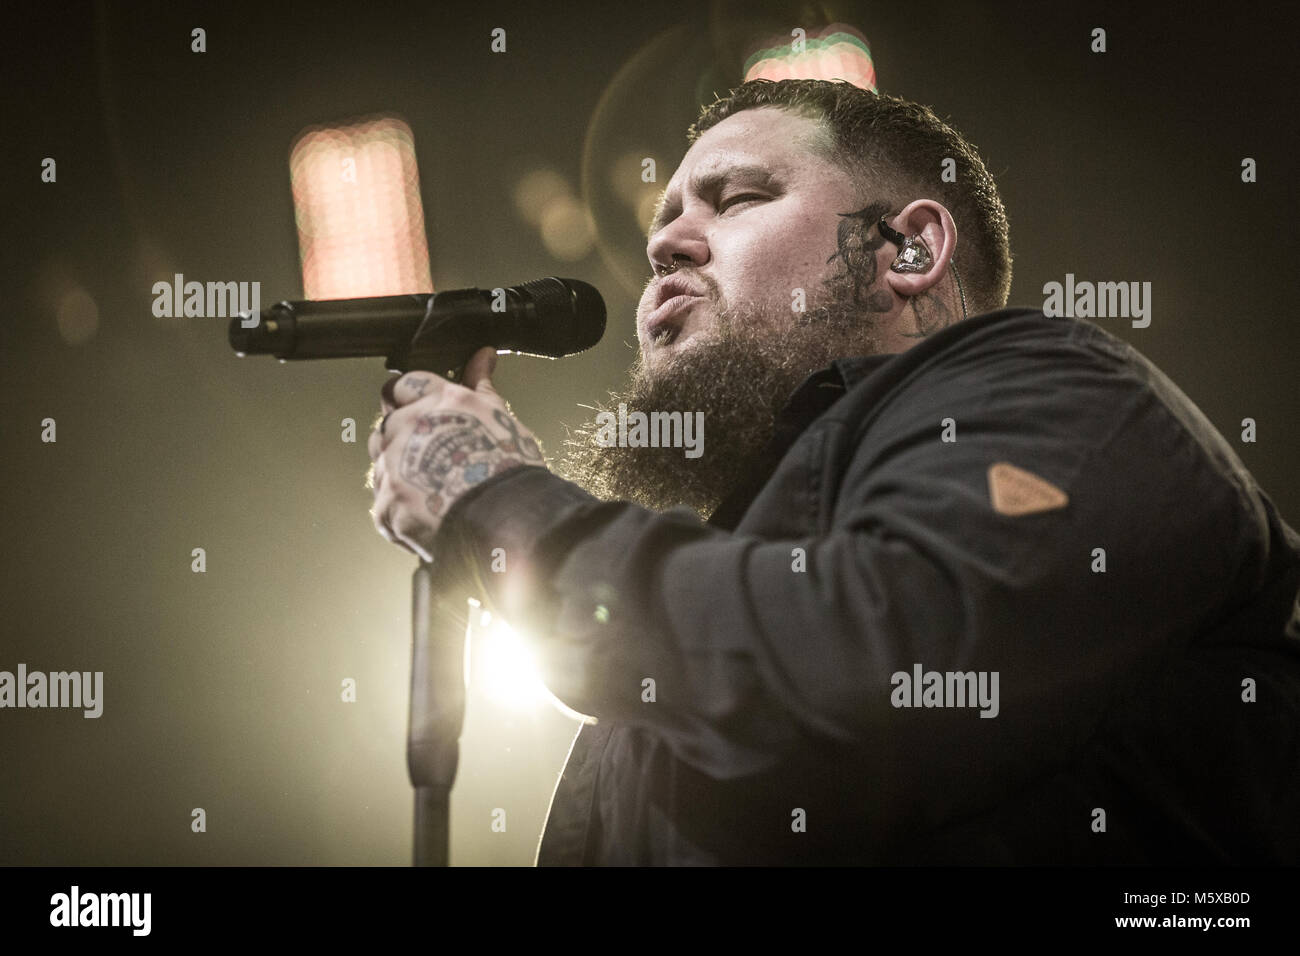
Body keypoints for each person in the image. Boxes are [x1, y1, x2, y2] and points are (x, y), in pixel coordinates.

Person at [366, 79, 1300, 865]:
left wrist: (494, 497)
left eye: (735, 200)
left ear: (910, 249)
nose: (664, 246)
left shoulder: (1060, 388)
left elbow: (863, 673)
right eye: (664, 222)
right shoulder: (642, 694)